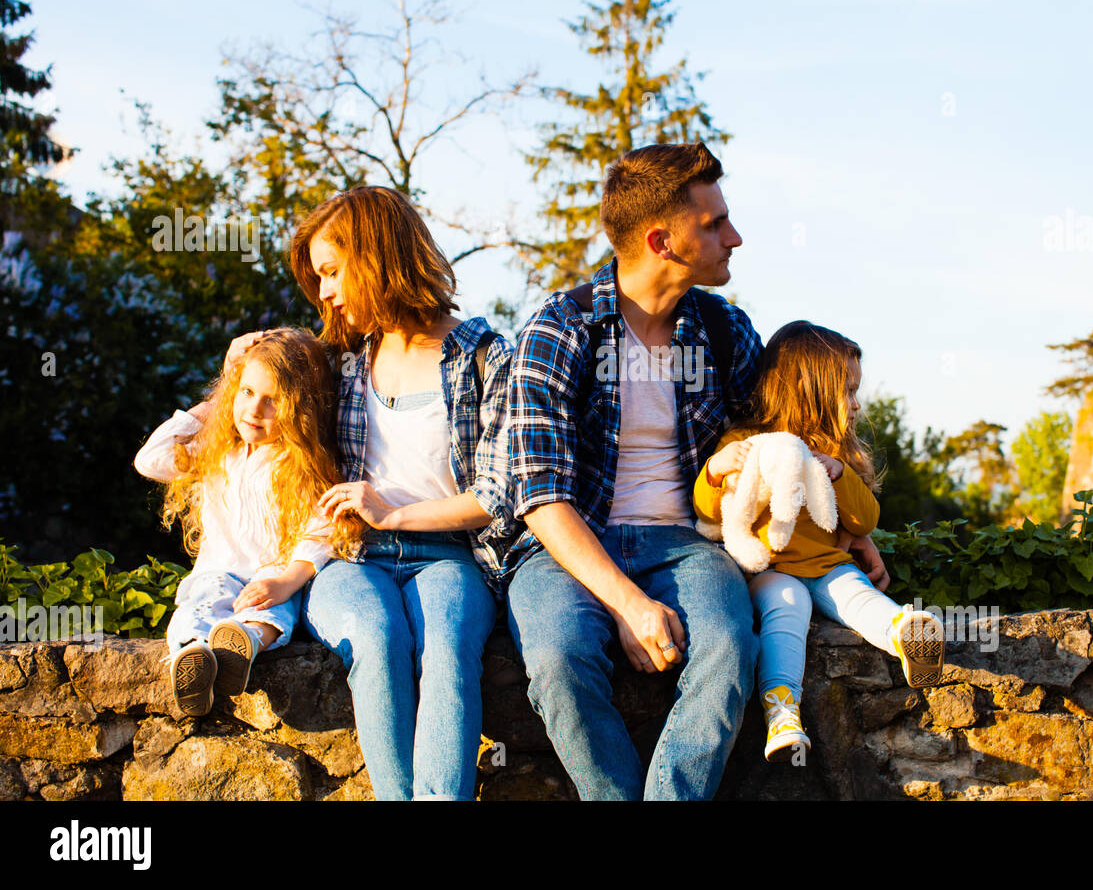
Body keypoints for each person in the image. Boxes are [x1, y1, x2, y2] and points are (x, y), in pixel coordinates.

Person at [506, 142, 765, 800]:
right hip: (567, 545)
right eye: (714, 225)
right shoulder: (562, 327)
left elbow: (784, 448)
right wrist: (628, 602)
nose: (734, 238)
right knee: (558, 661)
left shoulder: (723, 330)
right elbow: (539, 498)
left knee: (730, 647)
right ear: (662, 240)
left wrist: (850, 526)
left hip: (684, 543)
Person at [285, 185, 516, 801]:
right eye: (319, 279)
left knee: (447, 651)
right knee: (378, 639)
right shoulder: (340, 359)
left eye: (333, 272)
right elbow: (251, 403)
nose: (326, 291)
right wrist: (240, 362)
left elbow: (499, 492)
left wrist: (397, 513)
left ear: (377, 257)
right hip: (349, 556)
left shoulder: (483, 355)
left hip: (447, 554)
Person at [694, 321, 945, 761]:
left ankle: (904, 633)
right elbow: (708, 510)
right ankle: (782, 713)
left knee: (856, 597)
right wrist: (715, 470)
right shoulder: (747, 441)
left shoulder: (835, 453)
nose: (855, 404)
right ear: (810, 390)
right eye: (847, 391)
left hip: (831, 566)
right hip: (772, 570)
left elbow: (865, 517)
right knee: (786, 611)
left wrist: (841, 473)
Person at [133, 327, 360, 718]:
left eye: (273, 401)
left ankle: (244, 643)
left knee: (277, 612)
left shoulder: (298, 462)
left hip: (272, 578)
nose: (254, 411)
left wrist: (288, 579)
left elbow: (321, 531)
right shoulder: (218, 450)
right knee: (199, 603)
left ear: (300, 409)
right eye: (247, 392)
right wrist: (222, 393)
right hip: (218, 571)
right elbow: (150, 459)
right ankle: (194, 654)